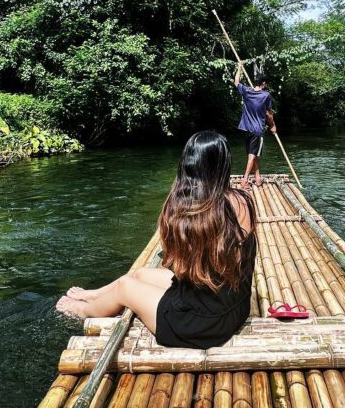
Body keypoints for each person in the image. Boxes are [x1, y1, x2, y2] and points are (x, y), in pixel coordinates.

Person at [56, 130, 256, 349]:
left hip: (199, 326)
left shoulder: (183, 210)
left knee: (125, 286)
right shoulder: (242, 200)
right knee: (139, 274)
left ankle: (83, 310)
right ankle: (94, 294)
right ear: (224, 164)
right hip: (234, 309)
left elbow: (177, 267)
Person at [234, 62, 276, 189]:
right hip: (257, 130)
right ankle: (245, 180)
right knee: (253, 156)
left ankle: (257, 178)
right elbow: (269, 114)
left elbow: (236, 82)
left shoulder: (247, 91)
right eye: (266, 83)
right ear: (263, 84)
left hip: (246, 129)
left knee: (253, 155)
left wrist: (239, 68)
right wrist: (273, 126)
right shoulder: (266, 95)